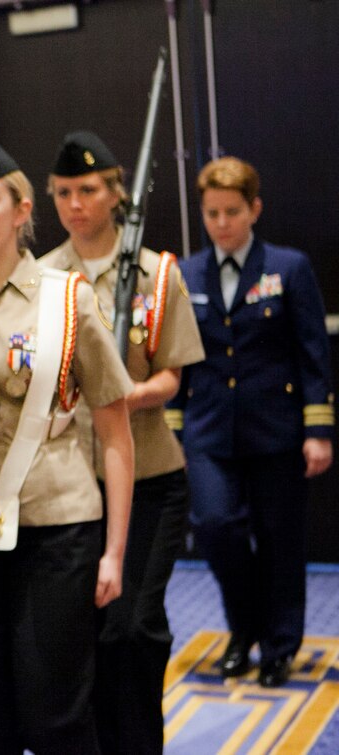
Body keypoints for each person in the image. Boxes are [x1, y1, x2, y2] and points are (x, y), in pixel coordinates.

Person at [0, 136, 135, 754]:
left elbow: (114, 432)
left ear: (20, 211)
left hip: (57, 524)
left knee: (57, 712)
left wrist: (115, 551)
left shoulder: (68, 299)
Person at [42, 130, 204, 753]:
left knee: (134, 626)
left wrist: (122, 394)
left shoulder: (157, 275)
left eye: (87, 190)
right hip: (73, 484)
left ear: (116, 194)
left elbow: (172, 375)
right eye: (62, 192)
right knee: (91, 633)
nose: (75, 204)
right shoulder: (42, 280)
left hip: (150, 479)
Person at [168, 156, 334, 688]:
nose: (222, 222)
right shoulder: (185, 274)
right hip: (209, 432)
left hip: (276, 432)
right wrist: (172, 433)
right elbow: (177, 360)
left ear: (254, 209)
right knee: (216, 528)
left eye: (232, 211)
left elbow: (313, 354)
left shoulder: (288, 268)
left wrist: (318, 431)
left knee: (281, 540)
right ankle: (244, 631)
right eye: (212, 212)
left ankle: (281, 645)